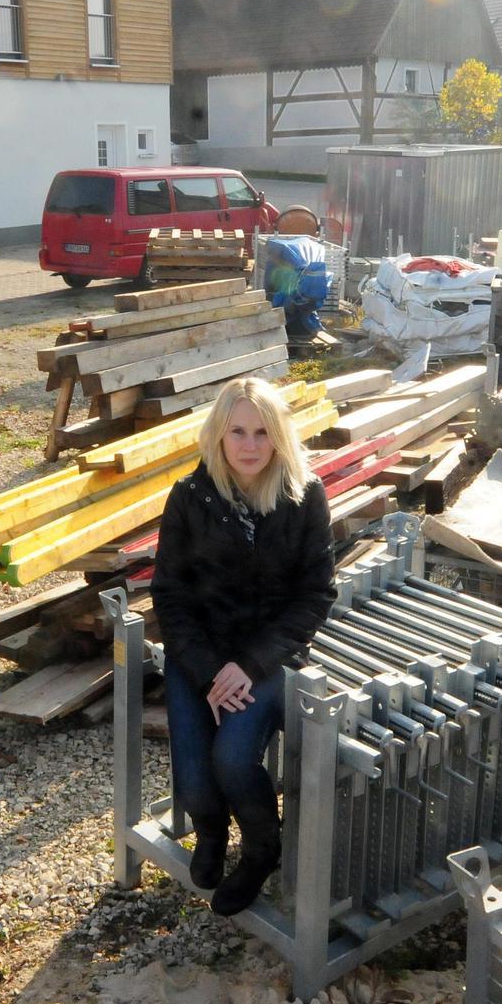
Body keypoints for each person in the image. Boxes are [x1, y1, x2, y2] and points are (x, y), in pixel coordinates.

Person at [150, 377, 336, 916]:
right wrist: (211, 671)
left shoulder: (304, 495)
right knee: (193, 779)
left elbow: (316, 593)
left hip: (269, 656)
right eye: (238, 431)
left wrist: (249, 665)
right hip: (201, 658)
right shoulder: (189, 497)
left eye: (262, 432)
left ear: (278, 437)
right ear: (219, 434)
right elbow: (170, 596)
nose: (250, 445)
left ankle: (261, 849)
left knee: (232, 758)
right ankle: (211, 834)